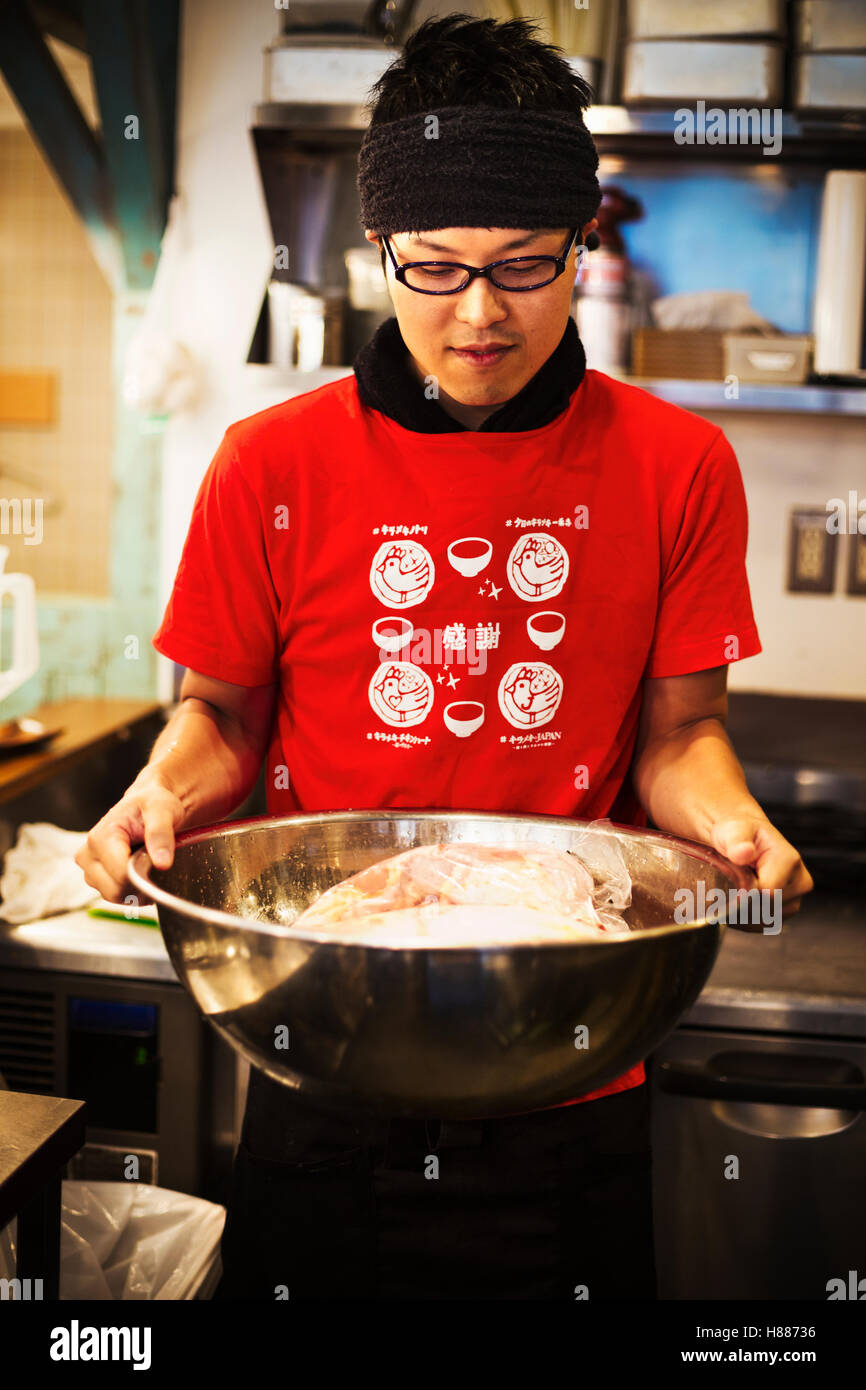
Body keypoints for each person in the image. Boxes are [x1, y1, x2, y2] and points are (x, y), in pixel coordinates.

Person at [77, 16, 813, 1301]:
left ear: (583, 251)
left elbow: (680, 739)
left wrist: (735, 822)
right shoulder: (271, 464)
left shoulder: (674, 466)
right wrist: (161, 791)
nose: (478, 315)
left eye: (525, 266)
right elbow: (221, 721)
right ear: (379, 254)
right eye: (435, 269)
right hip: (326, 1052)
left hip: (571, 1057)